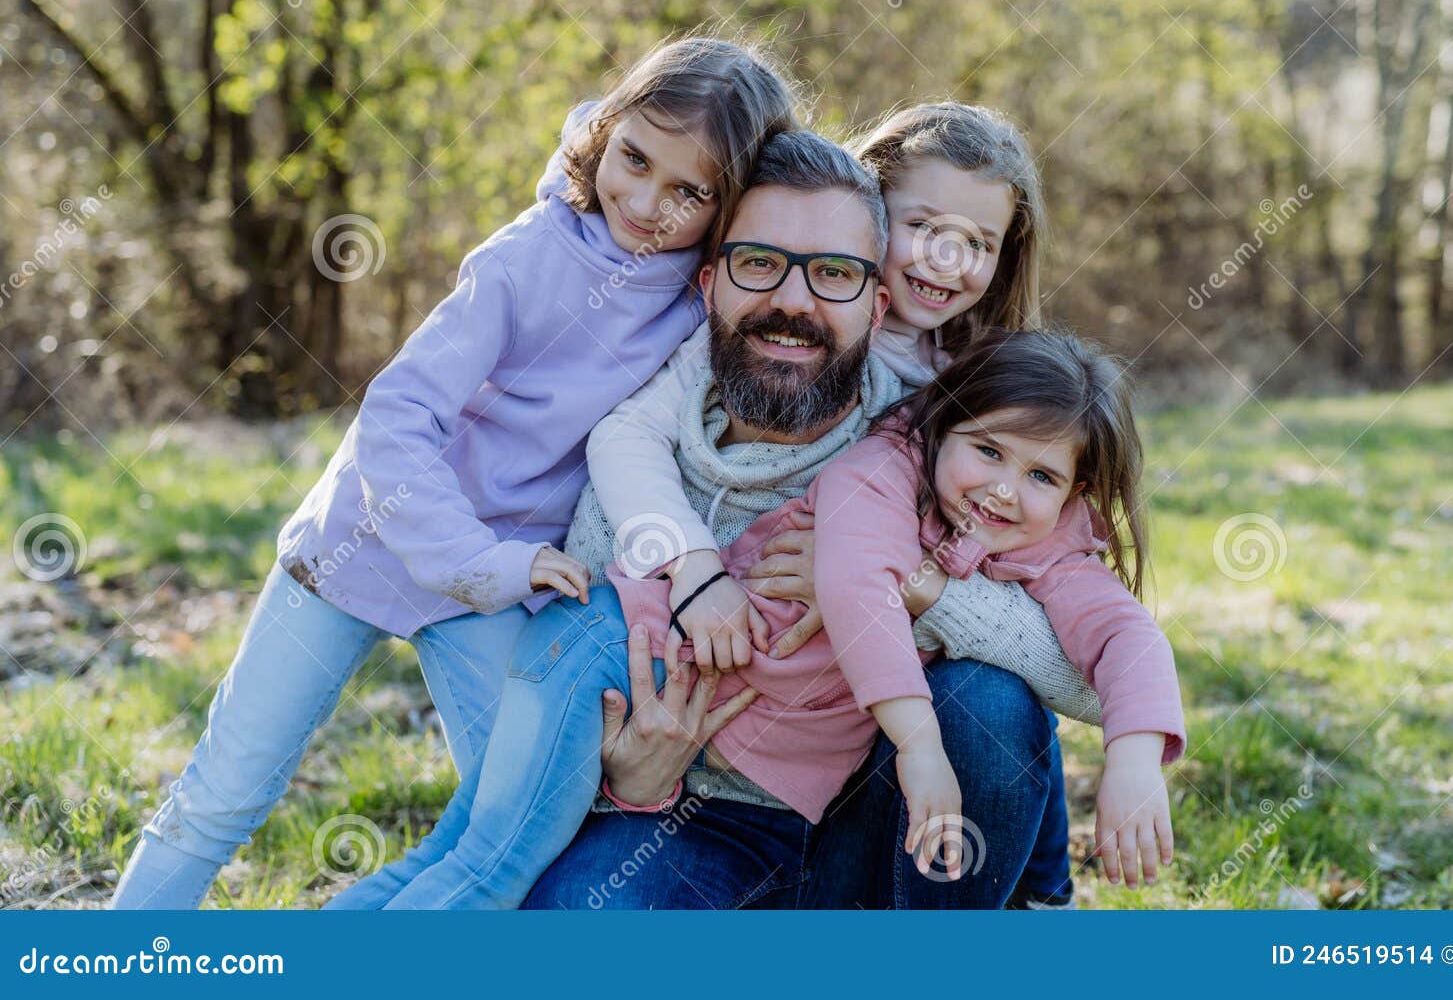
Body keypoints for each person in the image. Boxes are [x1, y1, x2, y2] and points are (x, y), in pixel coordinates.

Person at [110, 35, 797, 909]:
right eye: (634, 158)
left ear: (729, 203)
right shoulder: (525, 258)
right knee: (224, 793)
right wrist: (474, 559)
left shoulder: (701, 299)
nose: (646, 201)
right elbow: (394, 420)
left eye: (689, 191)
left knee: (521, 817)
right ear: (610, 129)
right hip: (366, 540)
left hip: (505, 583)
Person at [326, 128, 1059, 910]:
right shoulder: (644, 443)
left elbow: (1083, 647)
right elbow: (593, 692)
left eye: (834, 271)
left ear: (872, 294)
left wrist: (888, 583)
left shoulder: (958, 432)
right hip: (693, 821)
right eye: (761, 263)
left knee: (990, 703)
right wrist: (635, 775)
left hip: (882, 810)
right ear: (709, 281)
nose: (794, 300)